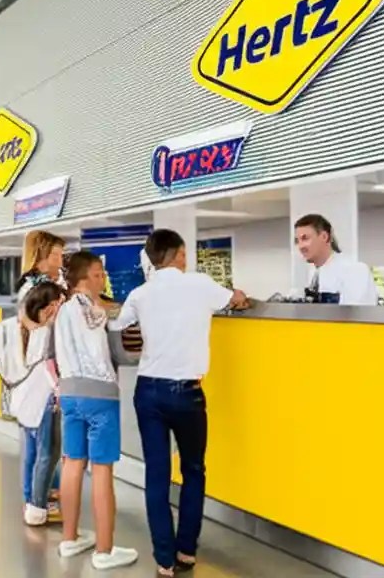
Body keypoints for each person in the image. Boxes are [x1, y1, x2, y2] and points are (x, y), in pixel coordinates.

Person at [110, 230, 250, 576]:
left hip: (148, 392)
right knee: (193, 471)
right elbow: (236, 298)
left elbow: (119, 321)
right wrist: (241, 297)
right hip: (187, 393)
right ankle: (186, 550)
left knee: (157, 475)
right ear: (180, 255)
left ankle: (164, 559)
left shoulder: (141, 294)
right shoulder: (200, 284)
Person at [54, 251, 138, 570]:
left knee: (73, 463)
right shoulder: (91, 307)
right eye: (98, 273)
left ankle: (69, 538)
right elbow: (116, 316)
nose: (103, 279)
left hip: (70, 394)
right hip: (100, 395)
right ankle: (104, 550)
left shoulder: (62, 311)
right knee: (102, 469)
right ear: (83, 278)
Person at [0, 281, 67, 526]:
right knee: (48, 455)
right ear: (51, 307)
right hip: (43, 400)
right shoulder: (47, 333)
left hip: (20, 402)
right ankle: (38, 507)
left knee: (30, 455)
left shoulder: (0, 330)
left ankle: (29, 500)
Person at [294, 214, 379, 305]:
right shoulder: (314, 275)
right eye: (297, 241)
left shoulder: (355, 270)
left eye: (305, 238)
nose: (300, 246)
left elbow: (356, 315)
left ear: (324, 237)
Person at [16, 230, 67, 304]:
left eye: (61, 256)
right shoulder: (29, 289)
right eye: (55, 256)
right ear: (39, 258)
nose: (60, 263)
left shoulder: (63, 280)